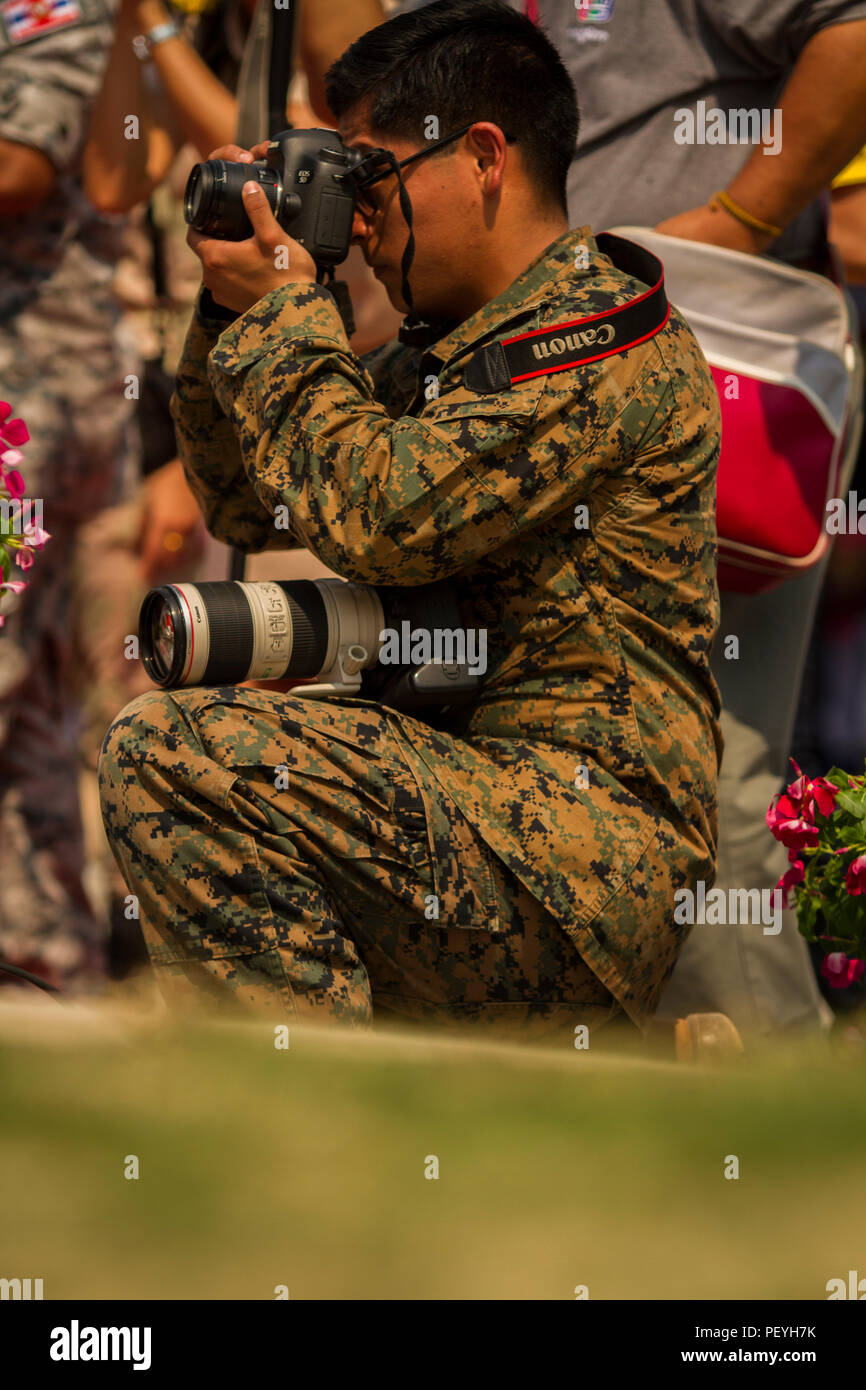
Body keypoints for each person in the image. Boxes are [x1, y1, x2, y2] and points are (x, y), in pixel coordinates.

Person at [98, 0, 723, 1039]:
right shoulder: (455, 349)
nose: (359, 217)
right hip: (475, 811)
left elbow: (377, 513)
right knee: (198, 727)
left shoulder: (592, 345)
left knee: (180, 751)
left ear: (483, 155)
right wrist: (228, 311)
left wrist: (286, 315)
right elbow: (250, 498)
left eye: (370, 180)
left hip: (577, 851)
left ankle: (298, 1111)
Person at [480, 0, 866, 1038]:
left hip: (691, 355)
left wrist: (727, 223)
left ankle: (780, 1130)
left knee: (704, 782)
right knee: (525, 767)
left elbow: (853, 31)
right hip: (525, 380)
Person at [0, 0, 138, 991]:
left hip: (32, 393)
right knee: (34, 692)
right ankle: (44, 964)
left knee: (33, 685)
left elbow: (19, 166)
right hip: (43, 398)